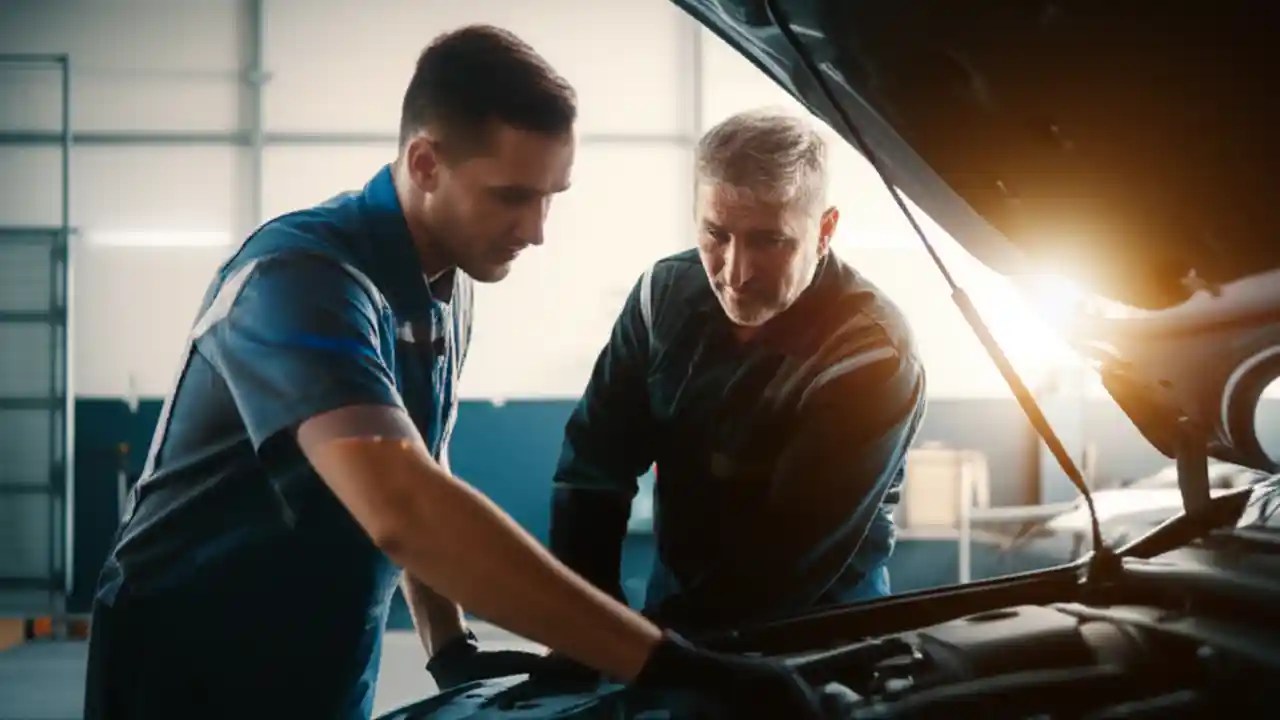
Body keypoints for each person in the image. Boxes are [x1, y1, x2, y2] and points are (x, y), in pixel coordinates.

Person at [82, 27, 828, 720]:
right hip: (186, 674)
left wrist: (447, 644)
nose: (537, 231)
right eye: (513, 196)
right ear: (425, 164)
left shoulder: (442, 284)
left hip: (321, 665)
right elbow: (405, 508)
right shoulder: (299, 278)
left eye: (550, 197)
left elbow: (420, 455)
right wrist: (667, 665)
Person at [550, 109, 927, 634]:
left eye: (770, 241)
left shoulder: (871, 351)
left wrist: (647, 652)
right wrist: (584, 628)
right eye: (716, 234)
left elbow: (788, 558)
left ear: (825, 229)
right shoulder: (661, 299)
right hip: (680, 598)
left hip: (823, 629)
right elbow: (592, 471)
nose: (736, 272)